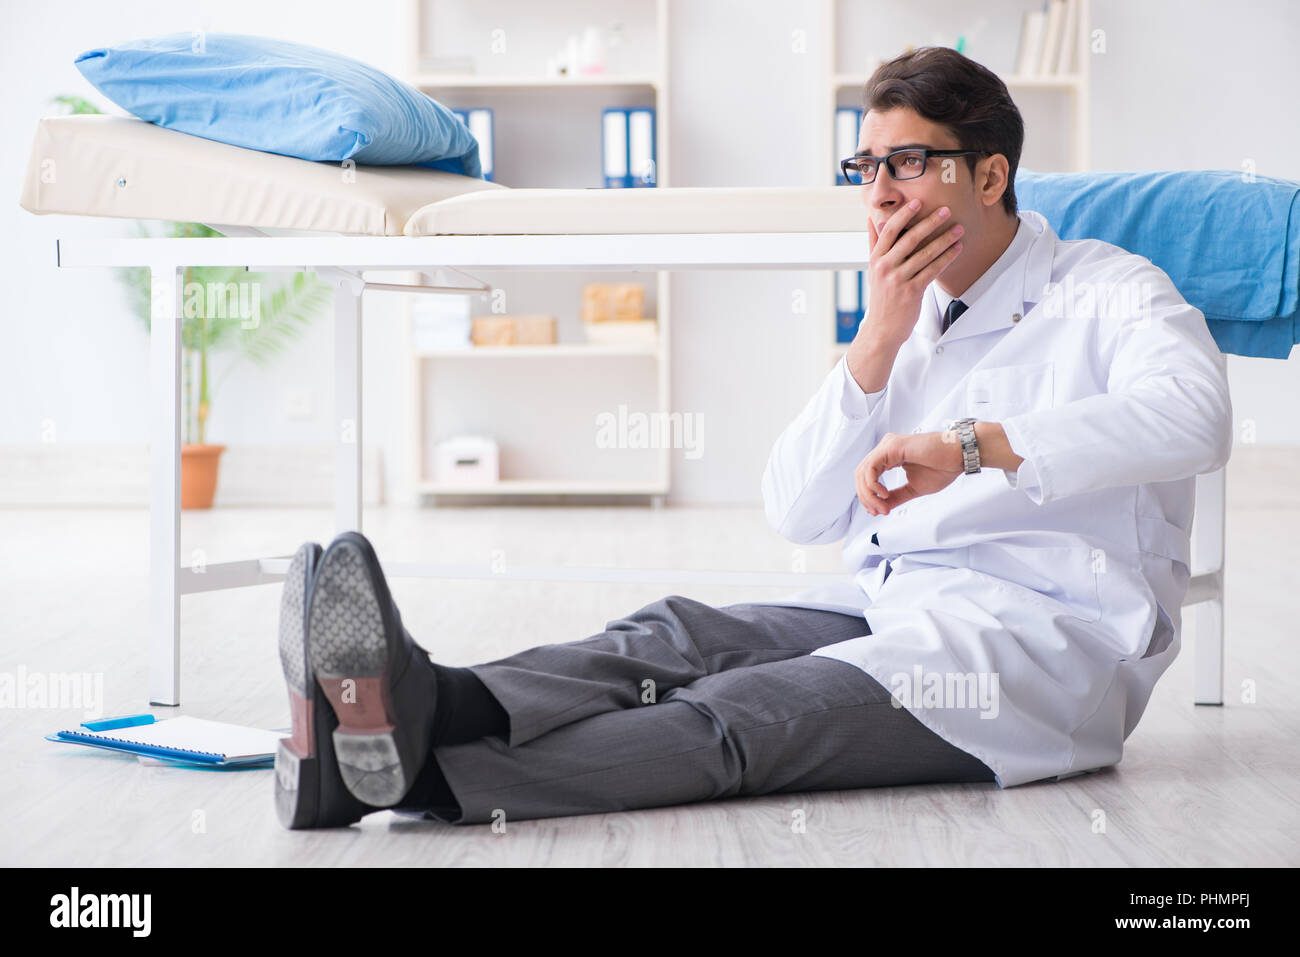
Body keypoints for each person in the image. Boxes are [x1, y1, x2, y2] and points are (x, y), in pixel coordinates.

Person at [273, 46, 1231, 829]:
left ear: (990, 174)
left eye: (909, 163)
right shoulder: (908, 320)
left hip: (1035, 653)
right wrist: (875, 340)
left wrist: (974, 446)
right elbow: (797, 509)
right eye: (868, 167)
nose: (880, 193)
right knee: (674, 635)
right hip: (893, 601)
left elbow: (1197, 414)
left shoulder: (1109, 288)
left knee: (742, 717)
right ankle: (423, 702)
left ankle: (404, 777)